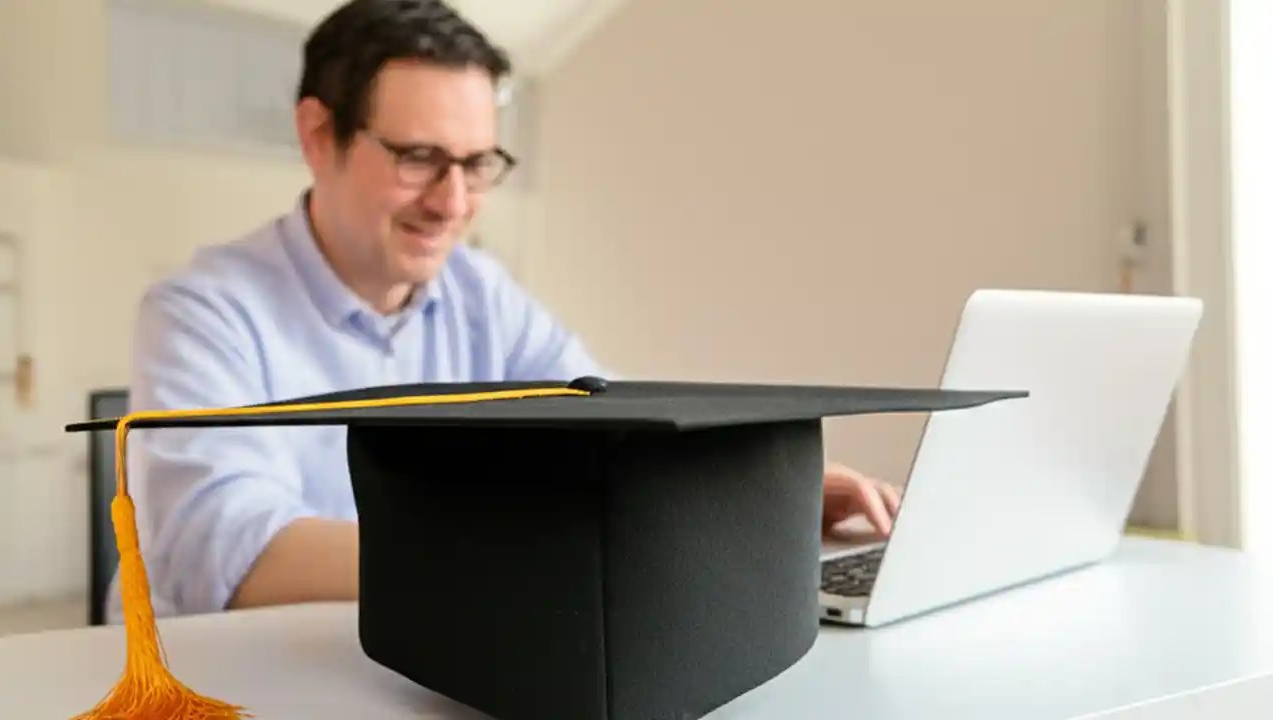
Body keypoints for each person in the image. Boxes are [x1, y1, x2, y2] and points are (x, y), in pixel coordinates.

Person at [114, 0, 901, 623]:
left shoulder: (478, 293)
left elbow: (612, 416)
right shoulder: (202, 311)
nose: (454, 203)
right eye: (419, 158)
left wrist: (761, 490)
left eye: (477, 163)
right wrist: (524, 558)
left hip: (419, 647)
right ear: (320, 135)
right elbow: (234, 553)